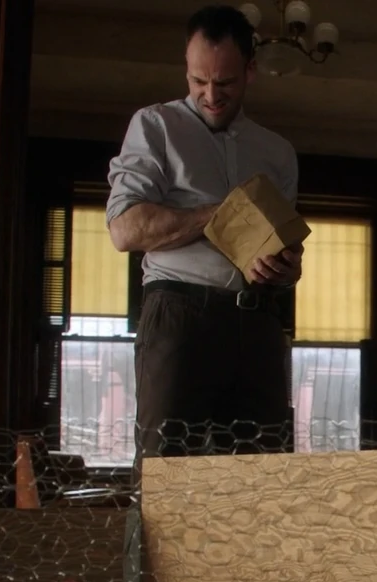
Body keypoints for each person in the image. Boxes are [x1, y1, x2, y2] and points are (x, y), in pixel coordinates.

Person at [105, 4, 303, 460]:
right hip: (179, 318)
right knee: (167, 474)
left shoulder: (278, 153)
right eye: (198, 81)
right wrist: (221, 214)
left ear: (250, 71)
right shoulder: (154, 126)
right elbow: (124, 231)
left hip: (260, 322)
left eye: (226, 83)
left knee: (263, 480)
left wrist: (288, 269)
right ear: (186, 68)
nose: (211, 95)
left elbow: (287, 248)